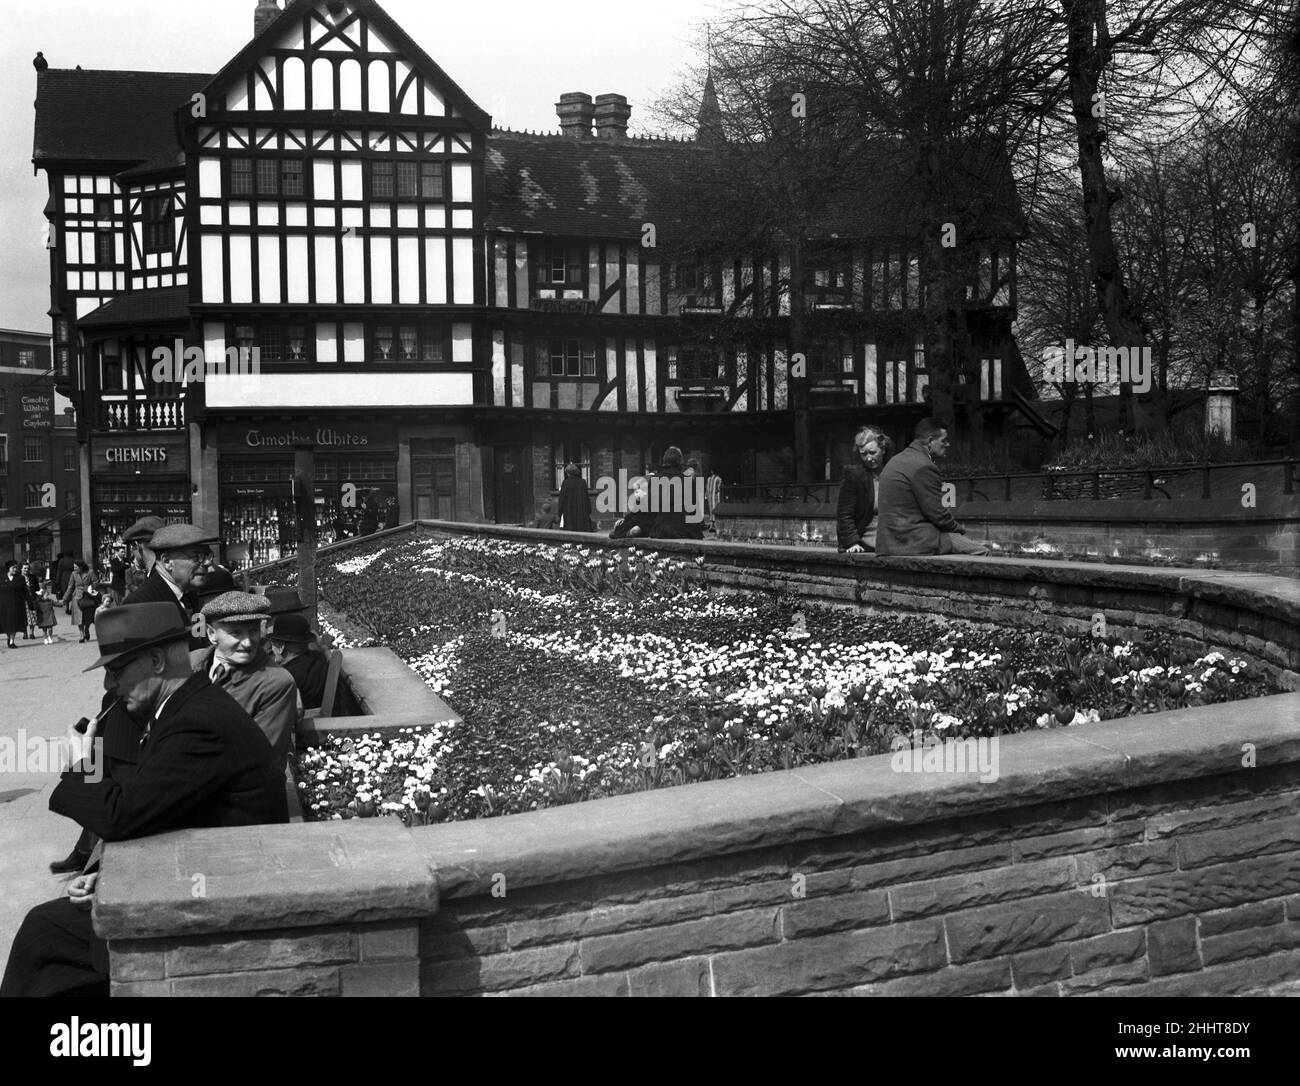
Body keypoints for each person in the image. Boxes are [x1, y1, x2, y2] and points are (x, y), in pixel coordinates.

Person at [0, 603, 289, 997]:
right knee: (49, 957)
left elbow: (119, 814)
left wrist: (84, 763)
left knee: (42, 930)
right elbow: (156, 804)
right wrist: (109, 876)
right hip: (205, 873)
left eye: (117, 671)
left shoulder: (196, 722)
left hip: (218, 899)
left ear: (155, 660)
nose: (109, 685)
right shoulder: (185, 706)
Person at [48, 524, 216, 874]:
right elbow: (118, 673)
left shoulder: (185, 596)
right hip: (132, 714)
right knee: (104, 779)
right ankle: (94, 863)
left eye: (207, 555)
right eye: (197, 557)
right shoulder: (146, 601)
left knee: (102, 776)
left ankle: (86, 851)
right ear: (167, 561)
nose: (206, 563)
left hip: (150, 711)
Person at [194, 591, 301, 774]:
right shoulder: (189, 665)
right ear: (212, 634)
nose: (247, 643)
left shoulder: (276, 683)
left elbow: (259, 759)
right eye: (236, 633)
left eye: (252, 631)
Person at [876, 418, 990, 557]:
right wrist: (960, 531)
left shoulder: (896, 460)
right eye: (944, 440)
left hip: (888, 543)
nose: (948, 444)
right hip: (914, 541)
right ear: (930, 441)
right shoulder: (923, 466)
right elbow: (938, 515)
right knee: (983, 552)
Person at [268, 612, 362, 716]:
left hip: (310, 724)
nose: (272, 650)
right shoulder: (318, 658)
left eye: (272, 644)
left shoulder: (288, 676)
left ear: (281, 647)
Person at [837, 426, 891, 553]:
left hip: (890, 540)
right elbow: (844, 514)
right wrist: (852, 543)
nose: (868, 458)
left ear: (883, 449)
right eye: (864, 454)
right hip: (863, 542)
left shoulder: (893, 472)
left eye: (872, 453)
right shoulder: (854, 475)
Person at [649, 447, 705, 540]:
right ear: (680, 462)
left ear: (664, 461)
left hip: (661, 529)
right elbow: (693, 511)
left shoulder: (654, 480)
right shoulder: (688, 481)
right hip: (684, 529)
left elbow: (651, 509)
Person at [122, 515, 164, 596]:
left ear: (137, 545)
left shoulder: (155, 580)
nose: (132, 551)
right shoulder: (167, 575)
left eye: (132, 547)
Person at [557, 464, 593, 532]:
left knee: (570, 531)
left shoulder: (565, 483)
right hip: (581, 509)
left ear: (568, 473)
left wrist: (559, 512)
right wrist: (588, 509)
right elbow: (586, 498)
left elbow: (562, 499)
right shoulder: (582, 482)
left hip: (569, 510)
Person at [2, 561, 28, 649]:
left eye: (16, 567)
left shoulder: (20, 578)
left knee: (14, 623)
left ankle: (12, 641)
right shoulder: (2, 578)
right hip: (4, 605)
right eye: (13, 567)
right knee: (6, 624)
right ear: (8, 568)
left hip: (17, 604)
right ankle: (9, 637)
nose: (15, 569)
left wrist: (31, 603)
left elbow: (25, 592)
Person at [75, 577, 102, 643]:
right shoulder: (74, 574)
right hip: (80, 599)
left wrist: (92, 587)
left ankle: (86, 630)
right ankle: (82, 634)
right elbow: (70, 586)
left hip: (89, 602)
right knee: (80, 619)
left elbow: (96, 583)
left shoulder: (91, 572)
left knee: (90, 618)